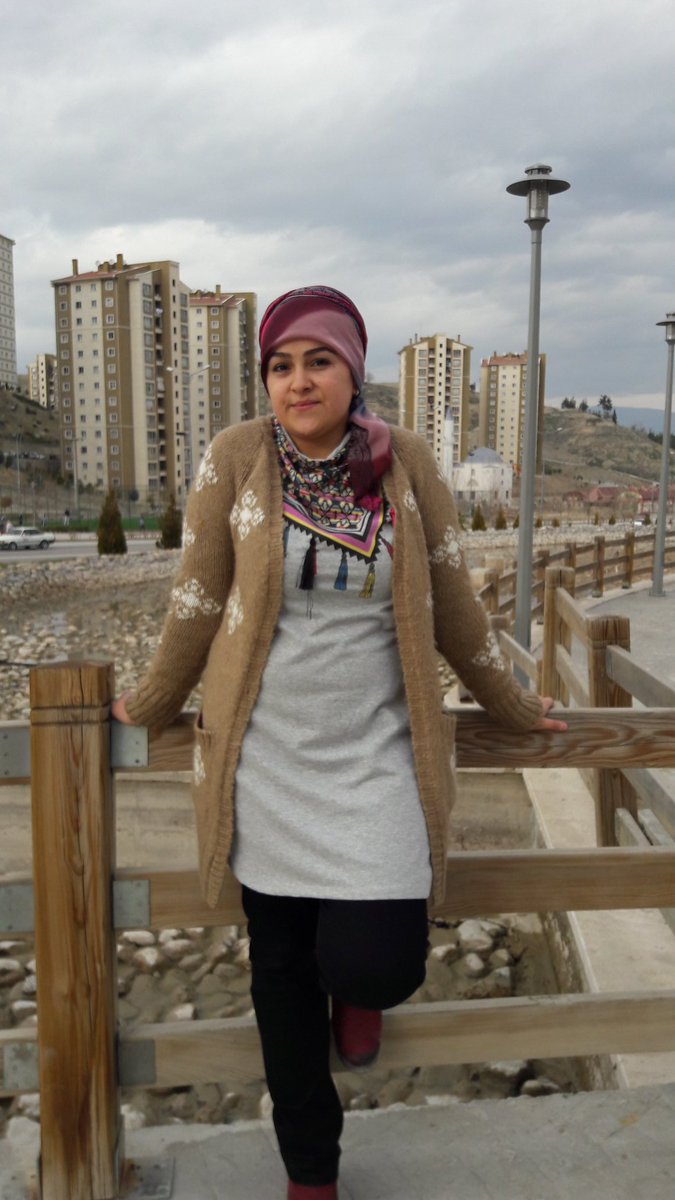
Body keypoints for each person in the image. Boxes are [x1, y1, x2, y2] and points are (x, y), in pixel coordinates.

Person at [112, 285, 567, 1200]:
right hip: (264, 761)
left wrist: (510, 705)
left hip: (377, 760)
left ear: (352, 371)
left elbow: (450, 599)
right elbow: (198, 592)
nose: (297, 381)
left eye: (317, 361)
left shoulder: (407, 462)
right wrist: (155, 698)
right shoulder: (235, 457)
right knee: (280, 979)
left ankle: (358, 990)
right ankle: (310, 1174)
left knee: (380, 960)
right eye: (280, 366)